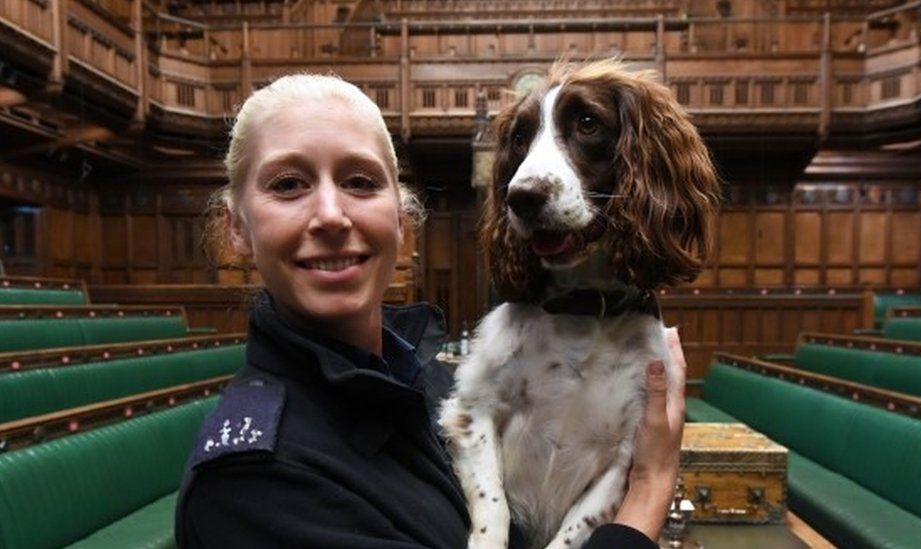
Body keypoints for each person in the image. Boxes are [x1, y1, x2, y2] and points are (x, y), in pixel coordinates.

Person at [175, 73, 686, 549]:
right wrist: (646, 494)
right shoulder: (251, 483)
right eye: (288, 184)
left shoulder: (424, 379)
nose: (331, 215)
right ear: (237, 228)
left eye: (360, 182)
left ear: (401, 217)